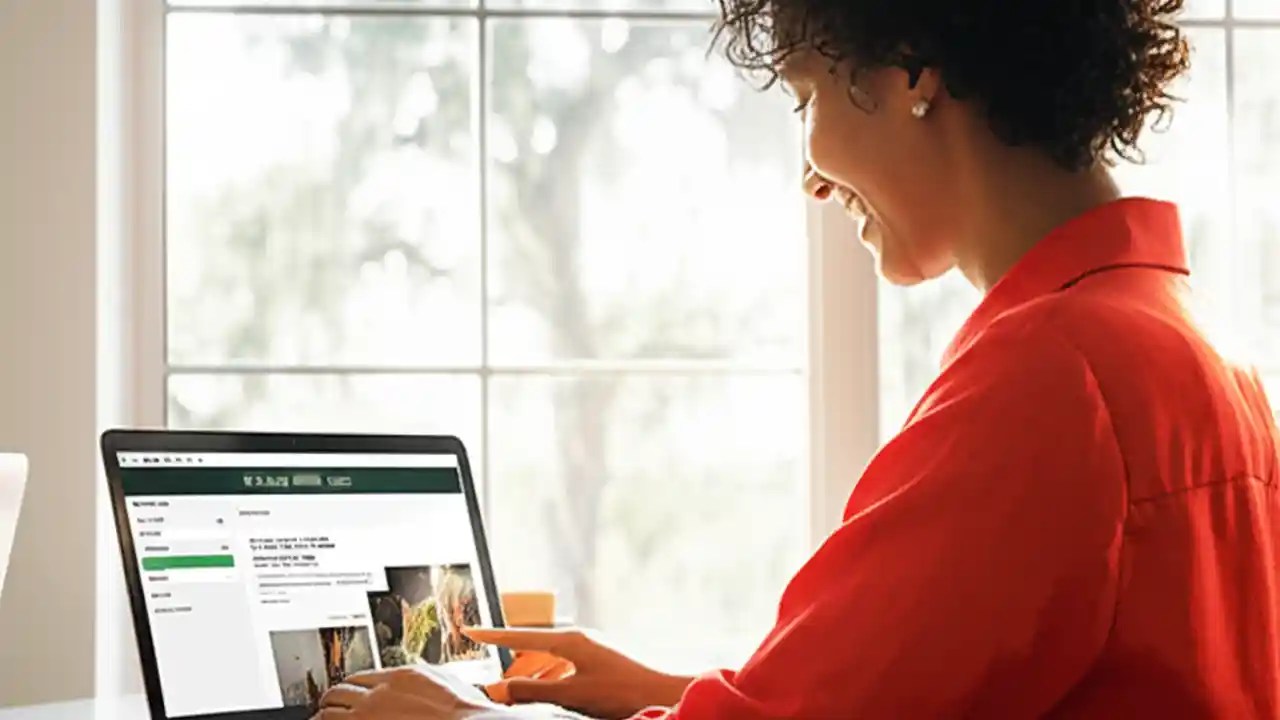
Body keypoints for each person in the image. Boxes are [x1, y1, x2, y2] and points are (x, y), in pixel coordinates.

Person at [314, 0, 1280, 717]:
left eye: (808, 93)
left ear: (912, 72)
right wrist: (668, 691)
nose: (812, 176)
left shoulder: (1048, 378)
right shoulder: (1197, 350)